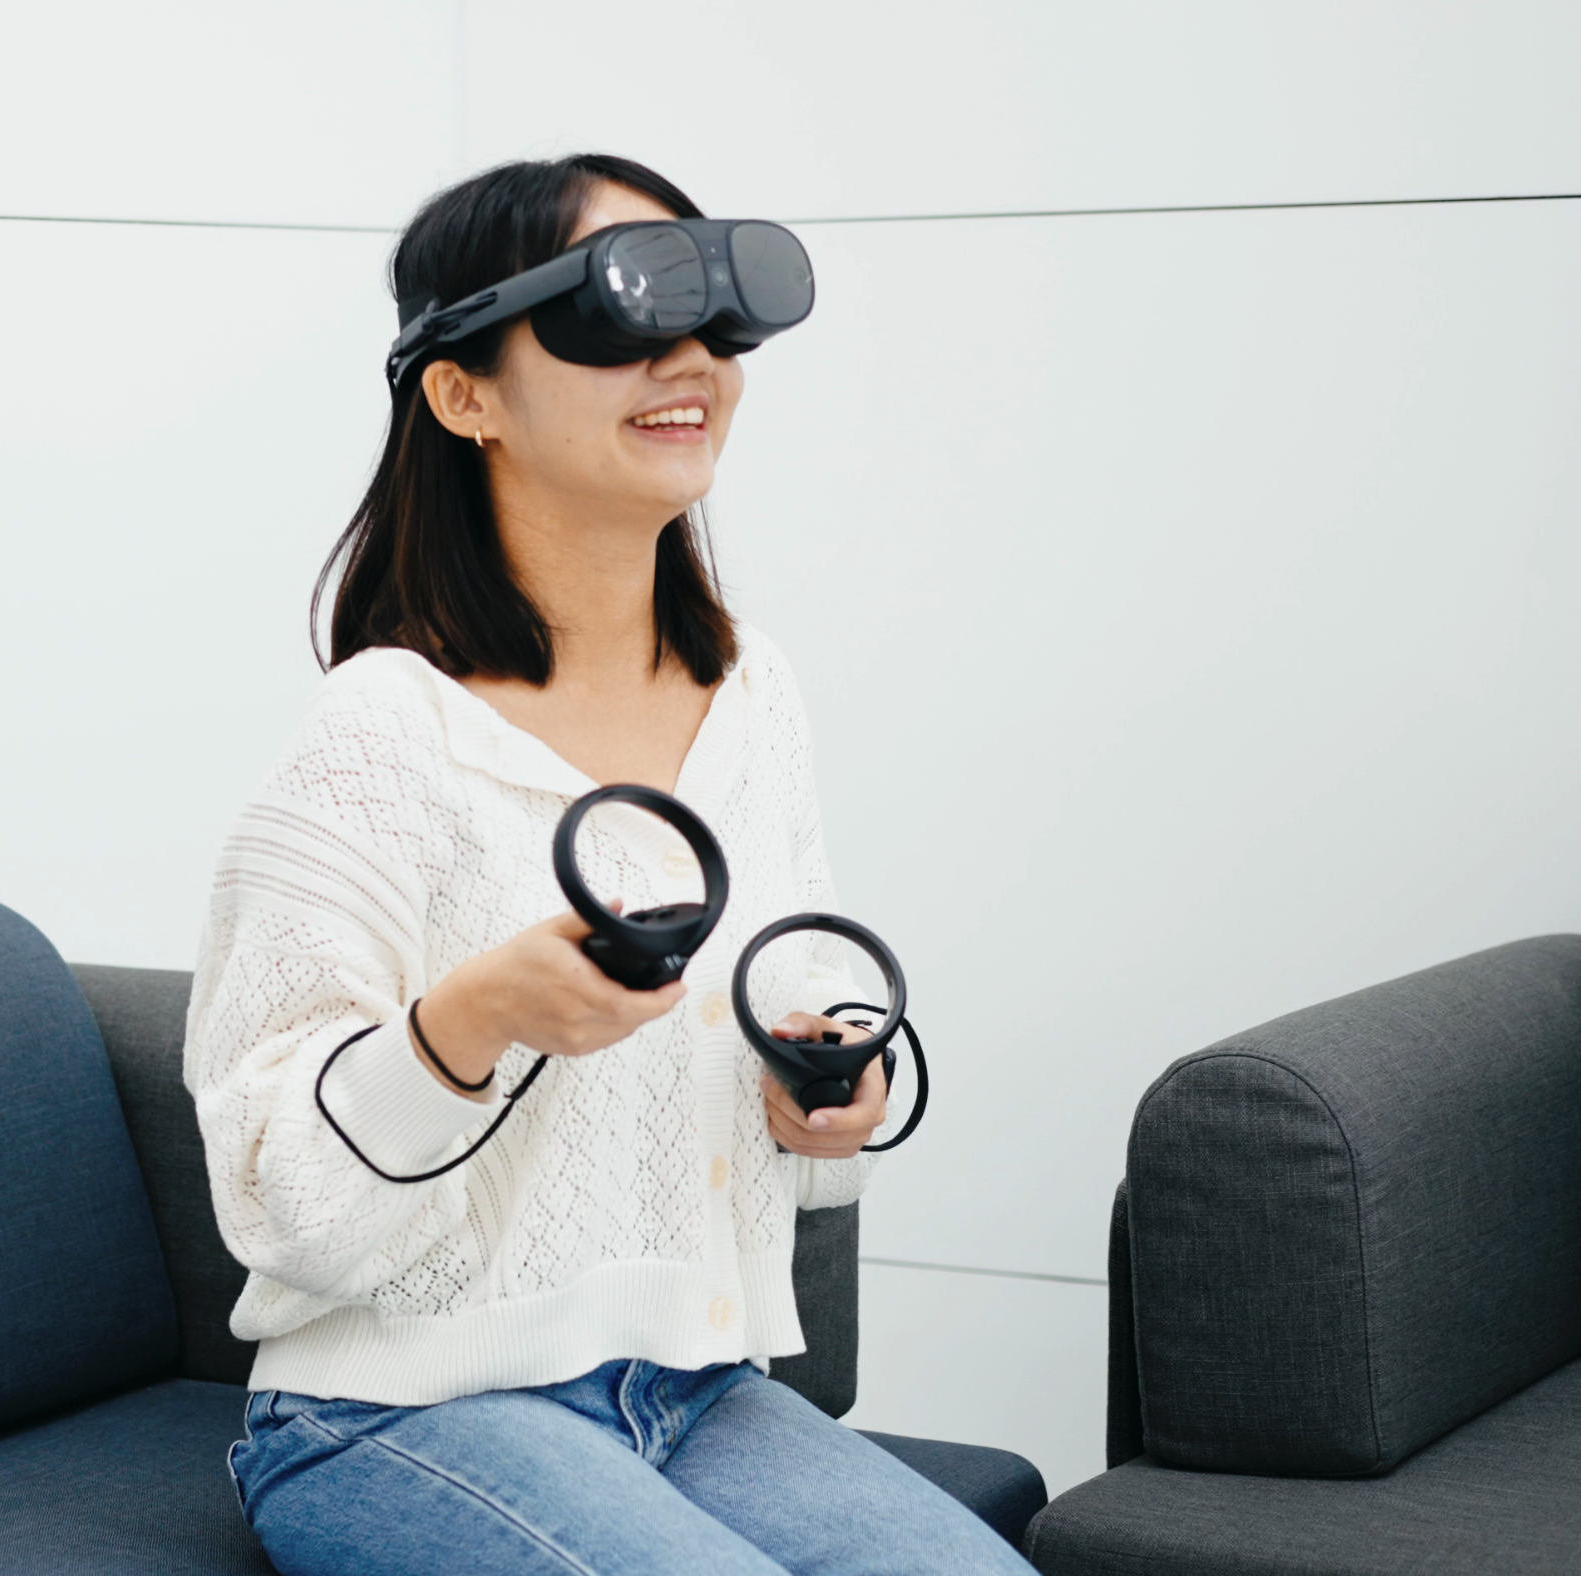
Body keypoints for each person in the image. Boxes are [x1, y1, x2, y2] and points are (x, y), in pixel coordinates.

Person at [185, 155, 1033, 1575]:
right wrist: (473, 1023)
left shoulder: (752, 695)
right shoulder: (381, 730)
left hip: (695, 1393)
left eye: (711, 316)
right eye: (617, 315)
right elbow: (277, 1207)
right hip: (390, 1412)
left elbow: (789, 1080)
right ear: (463, 394)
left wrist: (822, 1094)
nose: (688, 358)